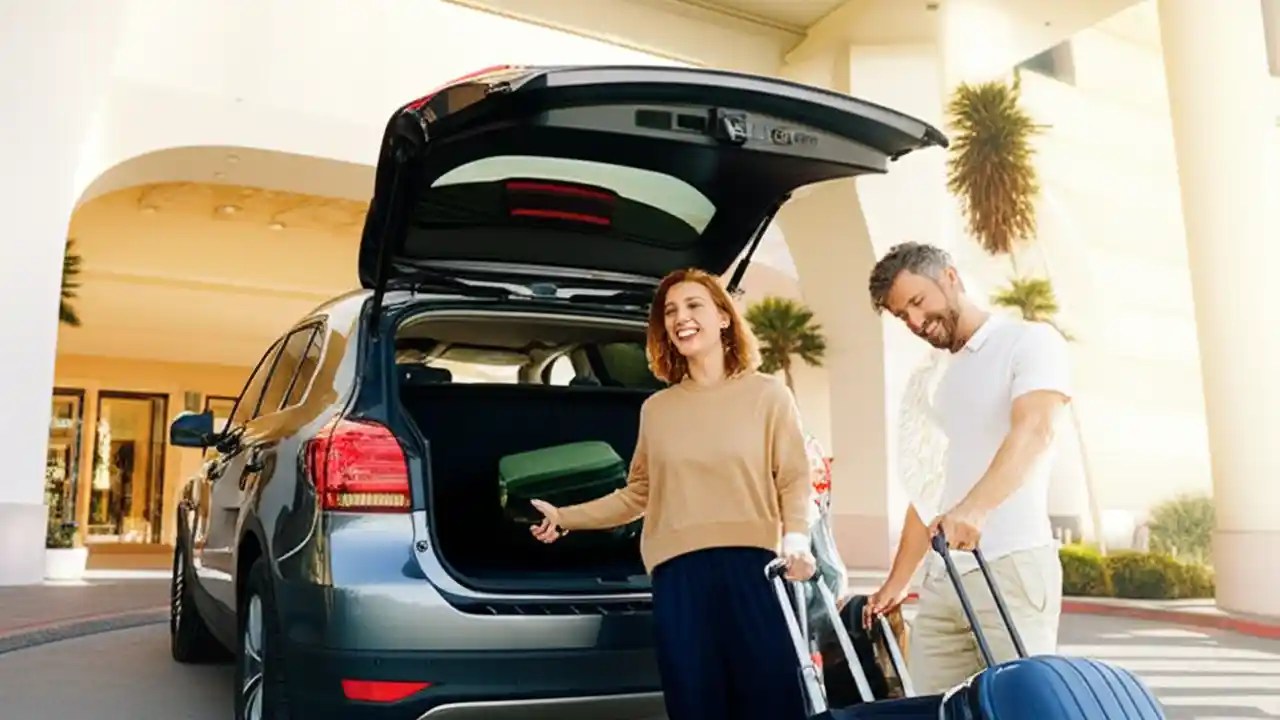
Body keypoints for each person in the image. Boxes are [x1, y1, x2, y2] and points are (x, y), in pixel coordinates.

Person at [528, 267, 818, 720]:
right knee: (695, 706)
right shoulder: (657, 410)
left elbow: (794, 478)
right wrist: (566, 517)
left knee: (773, 703)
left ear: (724, 317)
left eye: (693, 305)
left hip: (754, 572)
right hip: (679, 581)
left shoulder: (769, 396)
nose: (680, 317)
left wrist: (797, 538)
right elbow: (637, 494)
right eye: (670, 311)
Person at [862, 242, 1072, 695]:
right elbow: (929, 487)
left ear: (951, 278)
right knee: (929, 708)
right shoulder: (930, 378)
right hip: (944, 581)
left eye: (917, 303)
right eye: (902, 316)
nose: (915, 323)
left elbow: (1035, 430)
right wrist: (898, 583)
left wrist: (975, 510)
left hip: (1011, 568)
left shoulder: (1028, 341)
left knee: (1023, 706)